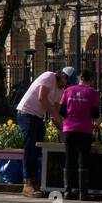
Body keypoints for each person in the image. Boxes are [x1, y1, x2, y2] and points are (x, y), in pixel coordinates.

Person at [15, 66, 68, 196]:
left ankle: (35, 181)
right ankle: (28, 184)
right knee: (30, 147)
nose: (67, 85)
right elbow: (42, 98)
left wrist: (62, 128)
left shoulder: (61, 90)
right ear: (63, 77)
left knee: (38, 149)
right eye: (68, 82)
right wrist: (56, 116)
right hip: (26, 113)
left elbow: (55, 110)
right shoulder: (49, 76)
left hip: (37, 117)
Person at [59, 67, 101, 200]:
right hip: (84, 129)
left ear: (79, 78)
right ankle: (83, 193)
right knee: (83, 158)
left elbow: (61, 111)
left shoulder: (68, 91)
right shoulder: (93, 92)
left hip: (69, 129)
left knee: (69, 158)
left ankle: (67, 191)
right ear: (91, 80)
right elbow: (95, 114)